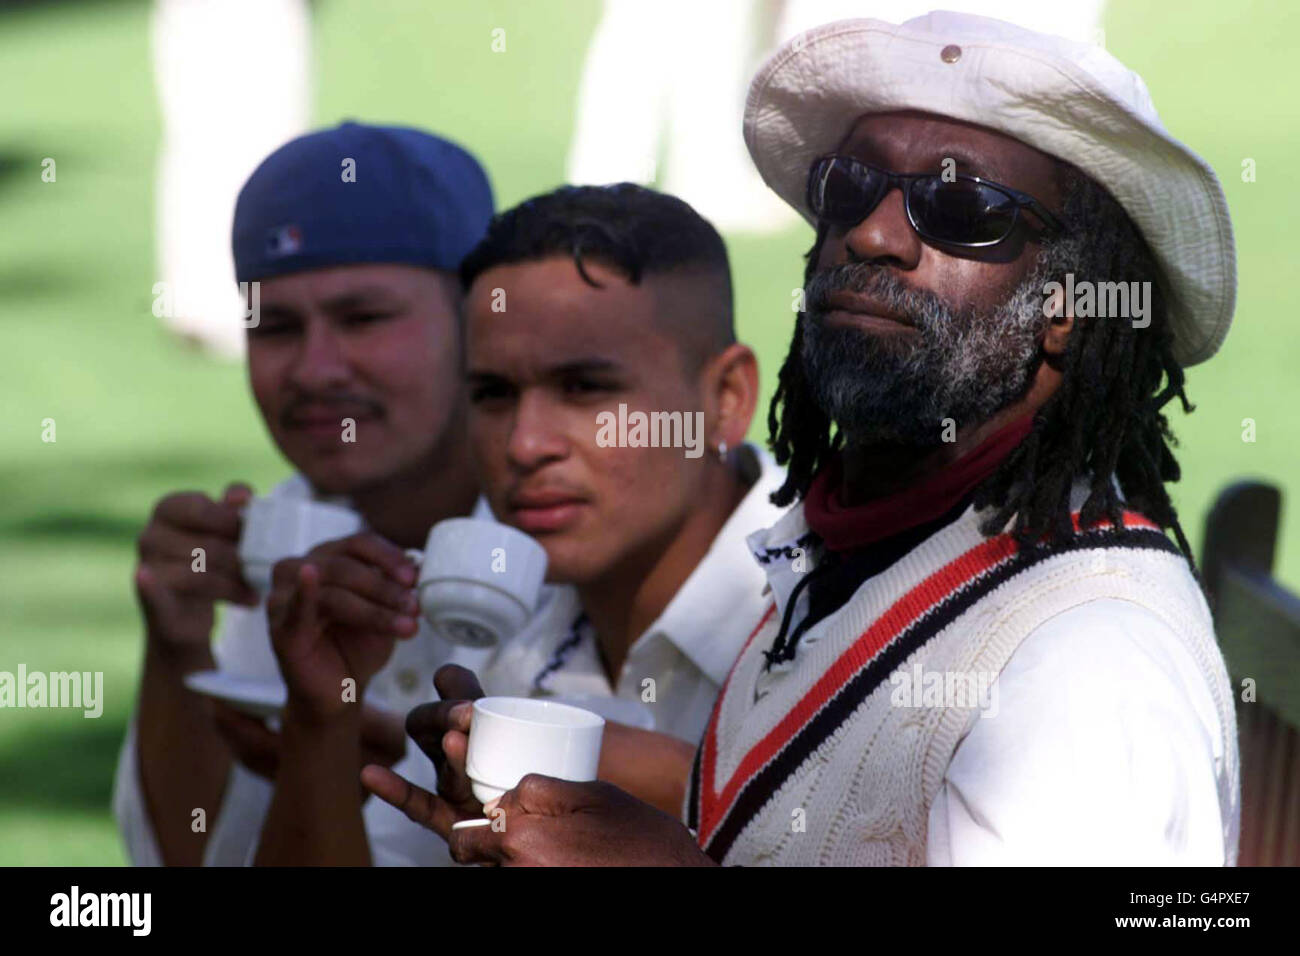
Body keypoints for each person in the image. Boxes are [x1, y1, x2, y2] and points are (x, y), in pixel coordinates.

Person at [366, 12, 1241, 866]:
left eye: (961, 205)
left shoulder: (1090, 663)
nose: (872, 233)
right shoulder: (840, 552)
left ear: (1071, 311)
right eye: (847, 189)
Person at [269, 184, 787, 865]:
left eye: (585, 389)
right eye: (492, 394)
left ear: (724, 401)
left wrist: (698, 792)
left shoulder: (844, 612)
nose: (524, 444)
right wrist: (320, 720)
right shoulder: (503, 617)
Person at [112, 121, 495, 866]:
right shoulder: (282, 543)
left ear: (478, 316)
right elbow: (181, 861)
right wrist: (177, 646)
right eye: (276, 326)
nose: (315, 369)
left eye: (363, 318)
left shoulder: (576, 525)